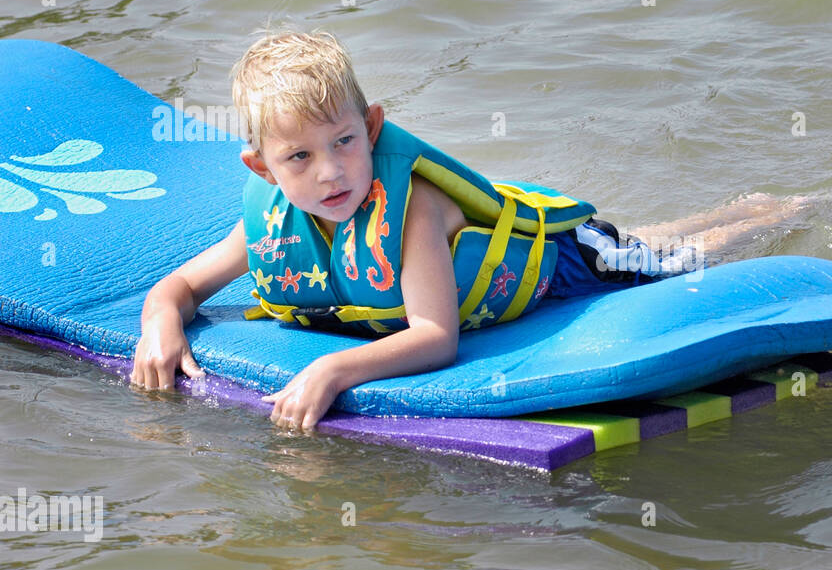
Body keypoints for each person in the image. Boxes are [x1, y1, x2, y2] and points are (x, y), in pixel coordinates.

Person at [130, 31, 787, 428]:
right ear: (263, 170)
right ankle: (756, 202)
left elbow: (435, 338)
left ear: (374, 129)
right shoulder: (272, 228)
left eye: (345, 142)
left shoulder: (409, 211)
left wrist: (333, 370)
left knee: (674, 255)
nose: (331, 172)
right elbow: (178, 289)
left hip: (563, 263)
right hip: (547, 259)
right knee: (649, 236)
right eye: (300, 157)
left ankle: (784, 210)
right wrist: (161, 323)